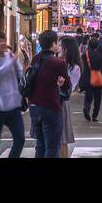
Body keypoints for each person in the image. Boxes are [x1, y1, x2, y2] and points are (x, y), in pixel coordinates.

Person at [28, 30, 71, 158]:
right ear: (52, 44)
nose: (58, 45)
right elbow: (67, 87)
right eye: (57, 42)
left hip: (34, 107)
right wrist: (61, 84)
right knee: (52, 148)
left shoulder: (35, 59)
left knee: (40, 145)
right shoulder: (58, 63)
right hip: (50, 107)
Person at [59, 35, 82, 158]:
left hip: (61, 103)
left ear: (66, 49)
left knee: (62, 139)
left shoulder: (75, 68)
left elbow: (69, 88)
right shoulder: (55, 61)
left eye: (60, 46)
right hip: (49, 102)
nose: (57, 49)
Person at [81, 35, 102, 122]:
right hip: (97, 78)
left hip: (88, 78)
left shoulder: (85, 55)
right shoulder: (100, 56)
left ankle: (86, 108)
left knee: (88, 96)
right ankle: (95, 115)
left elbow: (83, 66)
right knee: (97, 98)